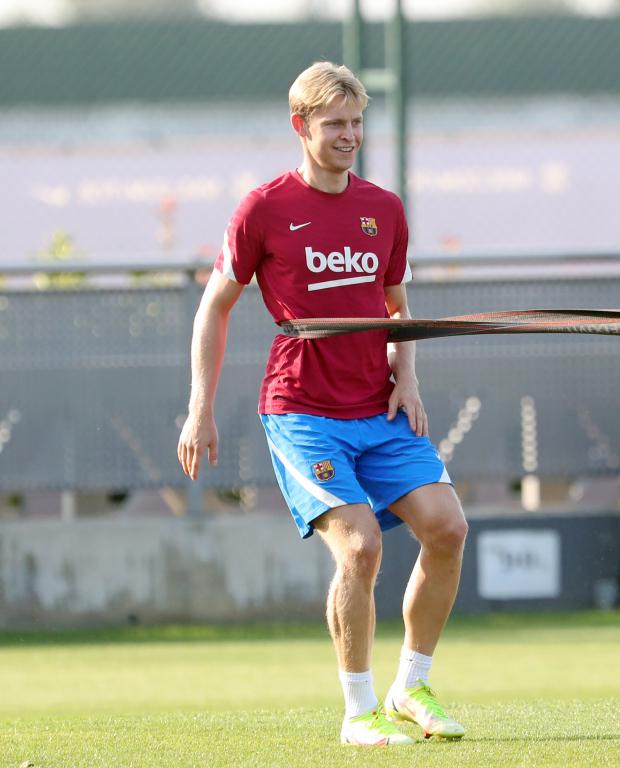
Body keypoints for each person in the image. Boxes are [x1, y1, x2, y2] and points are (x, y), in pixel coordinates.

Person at [176, 61, 468, 747]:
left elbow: (396, 308)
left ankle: (410, 687)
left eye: (357, 122)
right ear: (300, 126)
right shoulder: (263, 209)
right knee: (360, 547)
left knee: (448, 529)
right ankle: (358, 711)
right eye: (335, 123)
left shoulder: (384, 208)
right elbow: (214, 308)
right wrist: (199, 408)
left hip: (379, 407)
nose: (349, 135)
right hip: (302, 413)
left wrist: (407, 377)